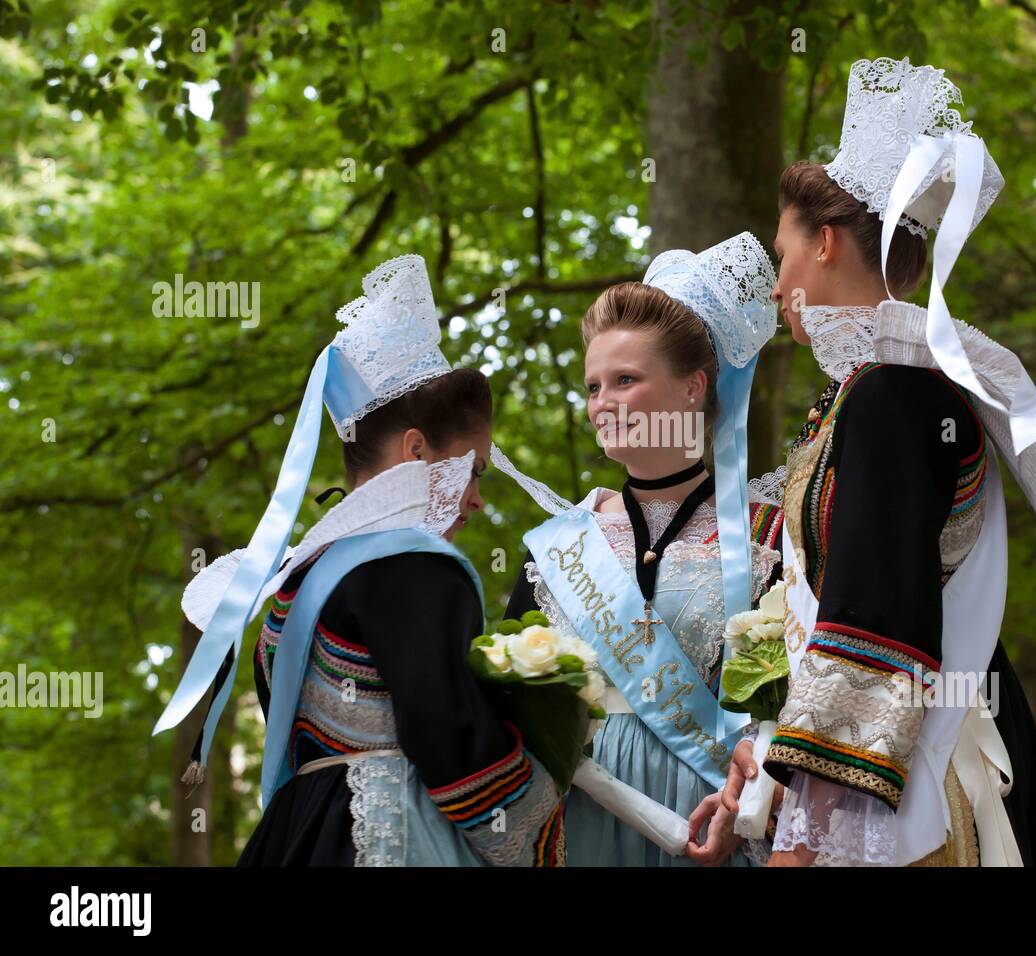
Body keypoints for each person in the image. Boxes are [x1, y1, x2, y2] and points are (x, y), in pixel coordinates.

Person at [723, 57, 1036, 866]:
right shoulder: (879, 392)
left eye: (782, 255)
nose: (778, 287)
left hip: (900, 792)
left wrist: (806, 841)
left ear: (822, 243)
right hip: (883, 769)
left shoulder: (894, 398)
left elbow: (872, 629)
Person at [160, 255, 565, 866]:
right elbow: (445, 735)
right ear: (415, 450)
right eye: (474, 471)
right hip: (385, 837)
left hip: (294, 837)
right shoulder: (415, 565)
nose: (478, 500)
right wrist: (543, 828)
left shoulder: (304, 575)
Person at [504, 233, 785, 866]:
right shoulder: (563, 544)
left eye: (624, 381)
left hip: (714, 812)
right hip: (584, 812)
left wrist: (756, 798)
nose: (601, 404)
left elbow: (794, 702)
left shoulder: (766, 536)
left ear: (692, 388)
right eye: (592, 386)